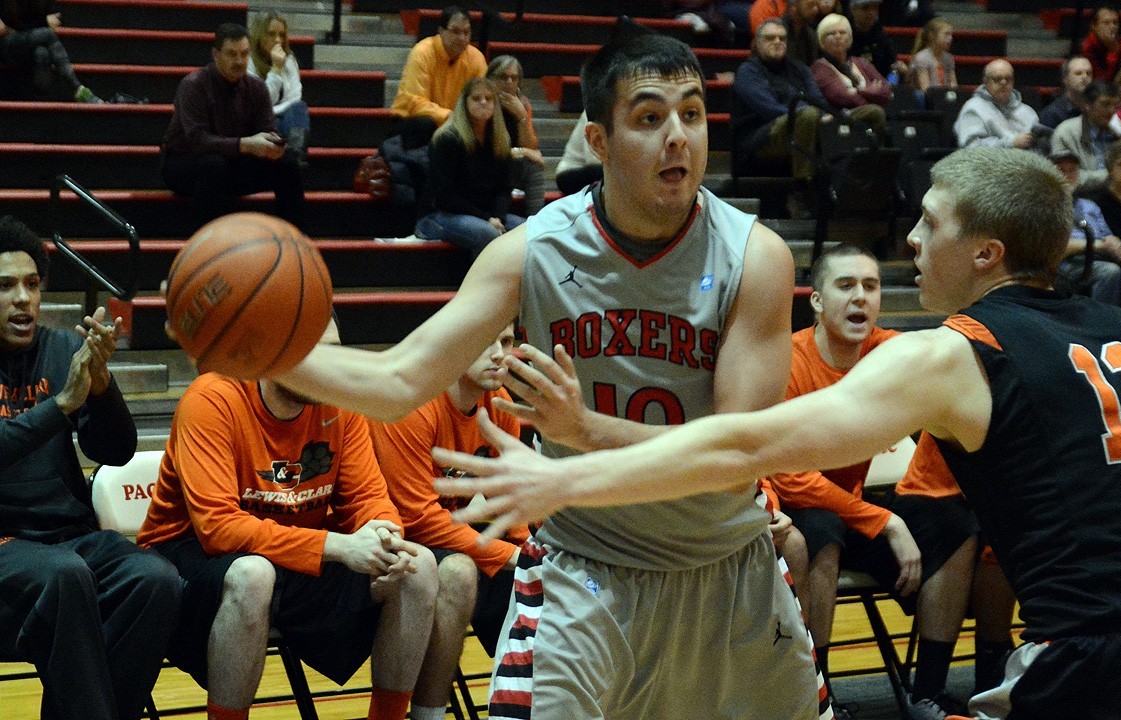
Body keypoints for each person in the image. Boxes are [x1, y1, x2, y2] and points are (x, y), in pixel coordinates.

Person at [436, 146, 1121, 720]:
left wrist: (568, 473)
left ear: (985, 250)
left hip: (1098, 667)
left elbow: (746, 447)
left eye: (930, 223)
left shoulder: (951, 350)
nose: (913, 240)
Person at [276, 31, 824, 719]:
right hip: (584, 570)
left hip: (725, 566)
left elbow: (736, 452)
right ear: (597, 140)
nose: (678, 136)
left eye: (691, 113)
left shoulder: (757, 257)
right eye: (650, 118)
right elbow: (398, 379)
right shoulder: (527, 253)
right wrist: (267, 356)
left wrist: (583, 429)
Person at [135, 317, 439, 720]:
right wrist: (339, 546)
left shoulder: (338, 404)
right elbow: (218, 529)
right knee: (253, 575)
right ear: (272, 356)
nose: (330, 366)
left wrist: (385, 536)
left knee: (418, 568)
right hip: (189, 560)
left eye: (335, 349)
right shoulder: (212, 398)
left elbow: (368, 498)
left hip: (294, 552)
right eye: (316, 353)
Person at [773, 244, 979, 720]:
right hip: (789, 515)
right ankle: (818, 698)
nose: (860, 298)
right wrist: (885, 520)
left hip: (854, 511)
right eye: (845, 286)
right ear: (817, 301)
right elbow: (791, 477)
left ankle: (928, 693)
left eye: (871, 286)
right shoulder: (788, 359)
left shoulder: (890, 352)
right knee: (821, 529)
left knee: (956, 524)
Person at [0, 216, 180, 720]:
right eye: (6, 286)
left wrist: (102, 389)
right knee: (66, 576)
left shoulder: (60, 349)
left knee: (156, 579)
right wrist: (59, 406)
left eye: (32, 285)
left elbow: (116, 451)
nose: (23, 299)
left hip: (68, 540)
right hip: (8, 545)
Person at [367, 325, 525, 720]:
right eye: (483, 339)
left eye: (505, 342)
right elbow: (417, 518)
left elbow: (513, 499)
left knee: (556, 580)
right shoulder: (415, 403)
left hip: (448, 537)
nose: (497, 355)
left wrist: (530, 551)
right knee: (458, 572)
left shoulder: (501, 406)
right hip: (388, 540)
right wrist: (516, 558)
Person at [161, 23, 305, 231]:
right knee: (213, 165)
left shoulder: (256, 88)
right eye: (232, 54)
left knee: (289, 165)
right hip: (185, 162)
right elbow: (199, 141)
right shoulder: (193, 85)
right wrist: (245, 145)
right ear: (215, 54)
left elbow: (267, 129)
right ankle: (207, 246)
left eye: (244, 54)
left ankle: (295, 240)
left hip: (231, 162)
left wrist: (274, 146)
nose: (239, 61)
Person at [415, 77, 525, 259]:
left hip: (485, 215)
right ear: (464, 103)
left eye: (489, 99)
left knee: (530, 230)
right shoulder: (447, 139)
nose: (483, 102)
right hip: (438, 215)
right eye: (476, 98)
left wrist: (497, 217)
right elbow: (444, 196)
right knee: (486, 233)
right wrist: (487, 219)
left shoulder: (500, 140)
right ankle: (483, 286)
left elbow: (504, 189)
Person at [734, 18, 836, 183]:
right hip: (762, 137)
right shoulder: (748, 71)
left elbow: (818, 100)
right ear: (756, 43)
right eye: (770, 38)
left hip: (804, 123)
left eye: (782, 38)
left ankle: (857, 190)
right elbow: (769, 109)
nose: (777, 42)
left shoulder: (800, 69)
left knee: (870, 114)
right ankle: (803, 185)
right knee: (808, 114)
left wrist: (824, 114)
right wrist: (807, 113)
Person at [391, 6, 488, 148]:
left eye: (466, 32)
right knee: (426, 123)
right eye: (455, 31)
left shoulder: (476, 58)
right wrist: (450, 117)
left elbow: (483, 96)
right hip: (412, 122)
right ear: (441, 31)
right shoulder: (422, 52)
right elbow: (414, 102)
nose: (462, 38)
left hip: (454, 123)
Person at [1052, 81, 1121, 199]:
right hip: (1080, 201)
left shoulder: (1116, 135)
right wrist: (1111, 175)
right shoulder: (1066, 133)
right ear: (1087, 105)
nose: (1111, 111)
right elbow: (1065, 177)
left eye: (1115, 105)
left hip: (1114, 199)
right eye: (1105, 104)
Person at [1052, 147, 1121, 306]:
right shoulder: (1046, 207)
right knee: (1110, 272)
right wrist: (1098, 245)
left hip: (1095, 258)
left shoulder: (1089, 206)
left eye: (1072, 171)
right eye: (1061, 171)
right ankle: (1100, 323)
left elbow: (1106, 235)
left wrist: (1115, 242)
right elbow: (1056, 248)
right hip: (1064, 264)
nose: (1067, 176)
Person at [0, 0, 99, 101]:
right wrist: (44, 22)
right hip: (5, 46)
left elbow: (56, 19)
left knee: (42, 53)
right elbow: (2, 30)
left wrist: (38, 26)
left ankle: (39, 103)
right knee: (47, 34)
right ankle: (77, 88)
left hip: (25, 43)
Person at [486, 55, 546, 216]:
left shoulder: (522, 106)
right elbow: (489, 149)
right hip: (485, 164)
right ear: (490, 79)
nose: (509, 83)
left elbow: (530, 146)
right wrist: (524, 152)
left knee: (534, 168)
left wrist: (521, 117)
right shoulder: (483, 104)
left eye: (514, 78)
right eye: (503, 77)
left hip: (508, 164)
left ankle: (536, 222)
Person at [811, 13, 890, 134]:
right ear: (822, 40)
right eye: (831, 34)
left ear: (849, 38)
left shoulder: (861, 62)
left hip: (863, 115)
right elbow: (842, 97)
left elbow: (886, 92)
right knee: (876, 111)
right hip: (838, 118)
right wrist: (871, 92)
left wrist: (857, 91)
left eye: (842, 33)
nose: (838, 36)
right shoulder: (820, 67)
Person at [246, 12, 309, 161]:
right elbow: (260, 103)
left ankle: (296, 155)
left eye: (282, 35)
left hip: (284, 119)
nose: (277, 40)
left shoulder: (289, 60)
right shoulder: (248, 61)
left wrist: (277, 112)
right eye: (271, 34)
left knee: (299, 107)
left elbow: (295, 97)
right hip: (256, 120)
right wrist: (275, 70)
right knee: (285, 121)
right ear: (259, 36)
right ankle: (294, 158)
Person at [954, 59, 1038, 150]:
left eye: (1008, 79)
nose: (1003, 83)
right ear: (985, 82)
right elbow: (971, 147)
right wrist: (1011, 143)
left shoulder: (1028, 112)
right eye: (997, 79)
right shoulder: (973, 108)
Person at [848, 0, 903, 87]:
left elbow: (892, 65)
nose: (871, 13)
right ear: (853, 10)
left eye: (874, 8)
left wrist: (893, 78)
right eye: (865, 8)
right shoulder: (844, 33)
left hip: (881, 85)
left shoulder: (880, 34)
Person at [1036, 55, 1093, 132]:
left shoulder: (1098, 110)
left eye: (1088, 73)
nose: (1085, 77)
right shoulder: (1052, 114)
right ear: (1065, 79)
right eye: (1078, 73)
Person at [555, 111, 604, 195]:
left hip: (594, 171)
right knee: (605, 170)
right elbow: (593, 159)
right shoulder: (592, 111)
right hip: (569, 174)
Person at [1080, 6, 1121, 83]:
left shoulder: (1117, 45)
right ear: (1094, 26)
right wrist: (1113, 53)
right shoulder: (1087, 47)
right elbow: (1101, 81)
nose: (1112, 27)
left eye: (1115, 23)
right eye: (1106, 23)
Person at [909, 18, 956, 92]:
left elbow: (953, 85)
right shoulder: (922, 58)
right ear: (932, 36)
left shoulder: (948, 58)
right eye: (946, 34)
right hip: (926, 100)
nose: (950, 38)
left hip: (942, 97)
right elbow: (925, 89)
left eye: (951, 35)